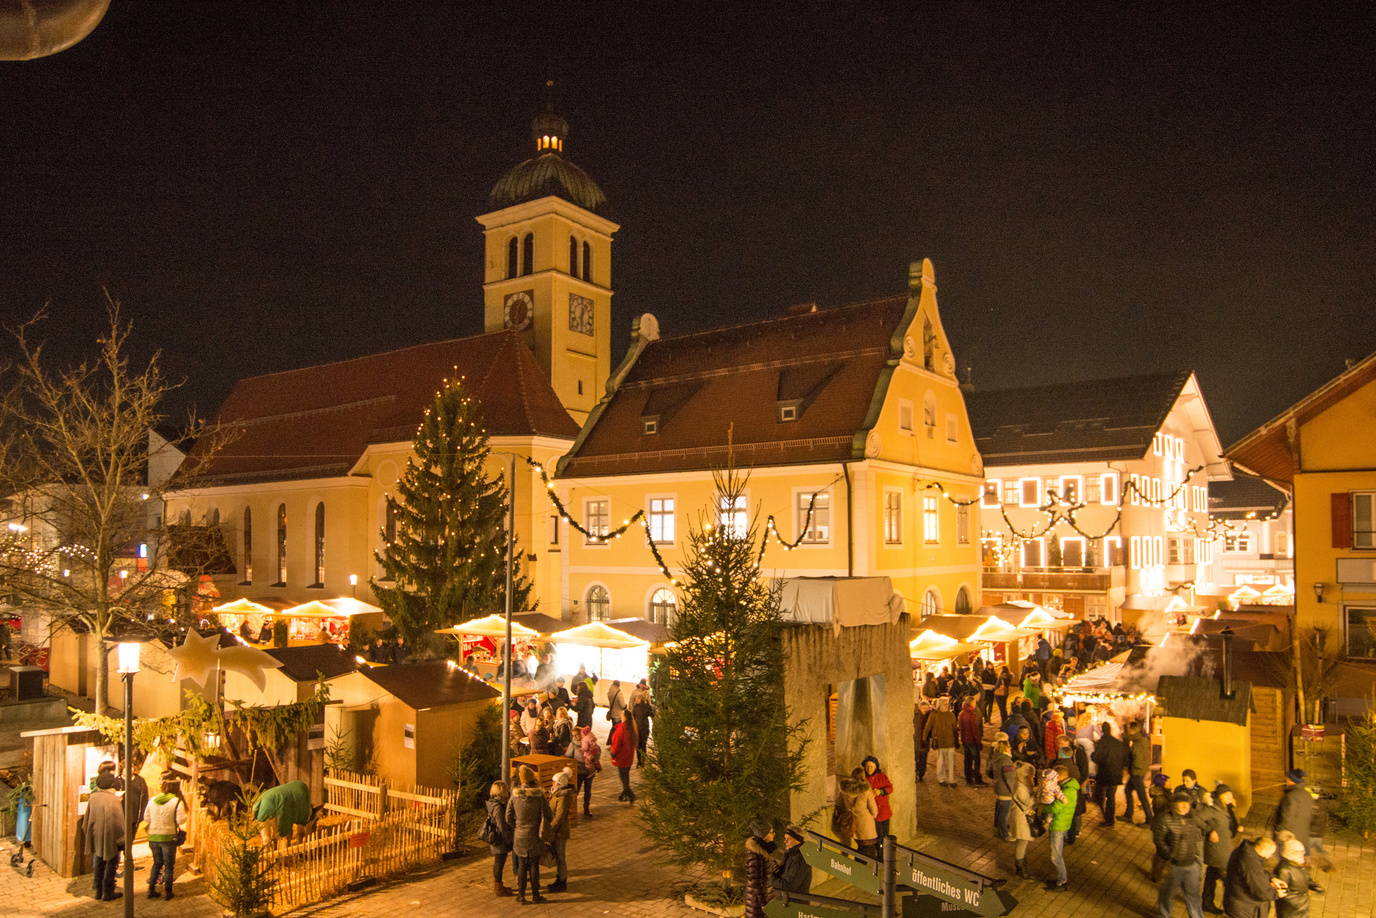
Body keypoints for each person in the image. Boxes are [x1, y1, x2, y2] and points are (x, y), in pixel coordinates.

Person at [1154, 791, 1205, 918]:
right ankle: (1164, 915)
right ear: (1175, 804)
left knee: (1193, 895)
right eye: (1182, 804)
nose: (1185, 807)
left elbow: (1199, 834)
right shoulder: (1165, 819)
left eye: (1187, 804)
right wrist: (1169, 855)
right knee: (1168, 893)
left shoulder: (1191, 818)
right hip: (1174, 865)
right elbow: (1159, 840)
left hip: (1191, 863)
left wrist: (1197, 857)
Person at [506, 766, 552, 905]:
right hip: (535, 835)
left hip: (519, 835)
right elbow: (549, 815)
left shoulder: (514, 795)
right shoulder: (539, 796)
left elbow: (508, 817)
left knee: (521, 865)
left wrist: (517, 826)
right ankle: (536, 895)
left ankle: (521, 895)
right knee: (534, 866)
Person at [143, 775, 185, 900]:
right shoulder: (177, 801)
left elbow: (146, 818)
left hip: (153, 837)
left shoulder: (152, 800)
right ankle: (168, 891)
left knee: (157, 863)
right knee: (169, 865)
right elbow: (181, 819)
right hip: (168, 837)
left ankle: (151, 890)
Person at [1223, 836, 1285, 918]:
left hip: (1238, 901)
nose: (1271, 856)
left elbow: (1258, 873)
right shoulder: (1251, 862)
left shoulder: (1245, 852)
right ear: (1263, 850)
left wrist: (1271, 878)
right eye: (1270, 853)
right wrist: (1276, 893)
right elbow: (1259, 889)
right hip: (1244, 906)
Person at [86, 772, 124, 900]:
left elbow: (88, 817)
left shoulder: (93, 797)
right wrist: (122, 838)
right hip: (110, 834)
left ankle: (98, 891)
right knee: (111, 862)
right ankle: (108, 892)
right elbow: (118, 820)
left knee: (99, 860)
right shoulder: (112, 799)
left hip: (96, 833)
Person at [1196, 789, 1234, 914]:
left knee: (1212, 875)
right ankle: (1233, 909)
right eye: (1227, 794)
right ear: (1220, 797)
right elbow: (1196, 818)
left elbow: (1231, 825)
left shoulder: (1225, 808)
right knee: (1228, 879)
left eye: (1231, 794)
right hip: (1217, 850)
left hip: (1222, 848)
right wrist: (1209, 830)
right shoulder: (1212, 809)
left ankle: (1206, 902)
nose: (1230, 796)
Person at [1043, 764, 1077, 891]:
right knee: (1057, 853)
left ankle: (1062, 882)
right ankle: (1060, 880)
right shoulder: (1069, 787)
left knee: (1056, 855)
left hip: (1059, 825)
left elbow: (1056, 807)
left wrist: (1044, 807)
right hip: (1062, 823)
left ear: (1060, 776)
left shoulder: (1067, 790)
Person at [543, 771, 575, 893]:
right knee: (557, 855)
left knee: (560, 857)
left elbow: (559, 816)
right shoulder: (556, 794)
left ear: (560, 783)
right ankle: (559, 879)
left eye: (554, 781)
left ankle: (562, 881)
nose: (552, 783)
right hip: (556, 831)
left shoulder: (563, 797)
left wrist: (551, 828)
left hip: (560, 832)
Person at [838, 767, 880, 858]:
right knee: (865, 851)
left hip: (852, 823)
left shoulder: (844, 789)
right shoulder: (866, 791)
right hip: (865, 825)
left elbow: (839, 803)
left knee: (862, 848)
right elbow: (874, 811)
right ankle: (860, 870)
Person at [1091, 722, 1127, 827]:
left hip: (1105, 774)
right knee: (1111, 797)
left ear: (1102, 730)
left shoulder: (1103, 743)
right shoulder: (1117, 742)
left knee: (1099, 795)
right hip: (1116, 774)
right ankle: (1110, 819)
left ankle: (1106, 817)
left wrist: (1093, 754)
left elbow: (1096, 758)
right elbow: (1125, 759)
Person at [485, 780, 514, 897]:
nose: (508, 791)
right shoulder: (498, 806)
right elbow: (501, 824)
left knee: (499, 862)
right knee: (499, 862)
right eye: (506, 789)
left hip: (497, 837)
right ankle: (498, 888)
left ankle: (499, 885)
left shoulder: (494, 803)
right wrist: (508, 839)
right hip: (499, 839)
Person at [1008, 761, 1037, 878]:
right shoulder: (1020, 787)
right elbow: (1028, 802)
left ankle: (1022, 865)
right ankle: (1020, 869)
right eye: (1032, 774)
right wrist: (1037, 794)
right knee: (1022, 842)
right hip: (1021, 818)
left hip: (1021, 816)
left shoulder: (1022, 783)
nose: (1034, 776)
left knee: (1023, 842)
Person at [923, 697, 960, 787]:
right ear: (939, 705)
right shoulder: (934, 715)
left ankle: (951, 779)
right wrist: (924, 738)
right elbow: (928, 727)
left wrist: (956, 740)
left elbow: (955, 728)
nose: (947, 706)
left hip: (950, 741)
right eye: (945, 704)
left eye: (947, 704)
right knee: (941, 761)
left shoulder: (951, 715)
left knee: (951, 762)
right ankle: (941, 778)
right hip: (939, 742)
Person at [744, 820, 777, 918]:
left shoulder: (764, 849)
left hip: (761, 896)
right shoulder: (755, 854)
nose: (774, 834)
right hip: (756, 901)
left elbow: (772, 867)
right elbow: (756, 882)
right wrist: (764, 903)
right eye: (771, 832)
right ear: (764, 834)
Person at [1125, 720, 1153, 827]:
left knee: (1142, 797)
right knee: (1127, 790)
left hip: (1137, 773)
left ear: (1132, 730)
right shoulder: (1141, 740)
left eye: (1129, 730)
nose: (1128, 732)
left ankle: (1149, 819)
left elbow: (1138, 759)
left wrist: (1132, 768)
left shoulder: (1138, 743)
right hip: (1138, 772)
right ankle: (1128, 814)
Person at [1274, 835, 1310, 918]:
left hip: (1301, 907)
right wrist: (1298, 902)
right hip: (1291, 910)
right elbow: (1282, 893)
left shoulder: (1299, 863)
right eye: (1298, 852)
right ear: (1290, 852)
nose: (1302, 854)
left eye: (1302, 852)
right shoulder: (1284, 869)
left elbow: (1305, 877)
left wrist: (1313, 885)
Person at [989, 737, 1016, 840]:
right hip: (1005, 790)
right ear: (1005, 748)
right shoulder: (1006, 760)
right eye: (1008, 746)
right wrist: (1013, 790)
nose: (1010, 747)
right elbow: (1009, 778)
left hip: (998, 787)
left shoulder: (996, 757)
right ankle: (1004, 833)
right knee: (1004, 813)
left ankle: (998, 825)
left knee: (999, 809)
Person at [861, 756, 894, 840]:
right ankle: (880, 851)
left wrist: (881, 791)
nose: (869, 769)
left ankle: (885, 851)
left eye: (871, 767)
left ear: (875, 767)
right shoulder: (863, 778)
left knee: (885, 835)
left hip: (884, 810)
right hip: (873, 813)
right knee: (878, 835)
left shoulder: (882, 776)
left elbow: (890, 788)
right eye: (867, 767)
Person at [610, 710, 638, 804]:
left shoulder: (621, 728)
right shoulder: (632, 728)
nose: (621, 716)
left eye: (622, 714)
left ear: (625, 717)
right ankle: (624, 795)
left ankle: (630, 794)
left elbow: (617, 742)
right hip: (629, 756)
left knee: (623, 777)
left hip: (621, 756)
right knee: (626, 776)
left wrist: (613, 752)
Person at [774, 825, 812, 894]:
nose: (785, 841)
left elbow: (789, 886)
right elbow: (784, 876)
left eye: (789, 839)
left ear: (797, 840)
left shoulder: (801, 858)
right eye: (785, 838)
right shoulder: (790, 855)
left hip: (796, 902)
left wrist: (772, 879)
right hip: (788, 900)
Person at [958, 700, 986, 786]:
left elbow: (961, 728)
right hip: (972, 741)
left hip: (965, 740)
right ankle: (977, 778)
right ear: (971, 703)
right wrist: (978, 742)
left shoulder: (962, 714)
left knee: (967, 759)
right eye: (974, 702)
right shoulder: (973, 715)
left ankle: (968, 778)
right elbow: (975, 730)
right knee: (976, 760)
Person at [630, 680, 656, 766]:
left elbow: (633, 716)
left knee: (638, 745)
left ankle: (639, 761)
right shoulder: (646, 707)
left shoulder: (636, 707)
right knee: (643, 744)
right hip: (644, 727)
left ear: (640, 699)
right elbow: (652, 714)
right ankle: (643, 761)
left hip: (637, 727)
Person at [577, 726, 601, 816]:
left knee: (588, 790)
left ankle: (586, 807)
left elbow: (598, 753)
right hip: (579, 771)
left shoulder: (590, 743)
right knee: (577, 790)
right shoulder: (574, 745)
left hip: (589, 771)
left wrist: (592, 758)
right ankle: (573, 808)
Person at [913, 700, 932, 782]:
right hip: (916, 740)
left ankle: (921, 774)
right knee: (916, 758)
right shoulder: (915, 716)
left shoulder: (929, 717)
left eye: (927, 708)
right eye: (924, 708)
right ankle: (915, 773)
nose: (925, 710)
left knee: (923, 759)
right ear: (920, 708)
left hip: (924, 741)